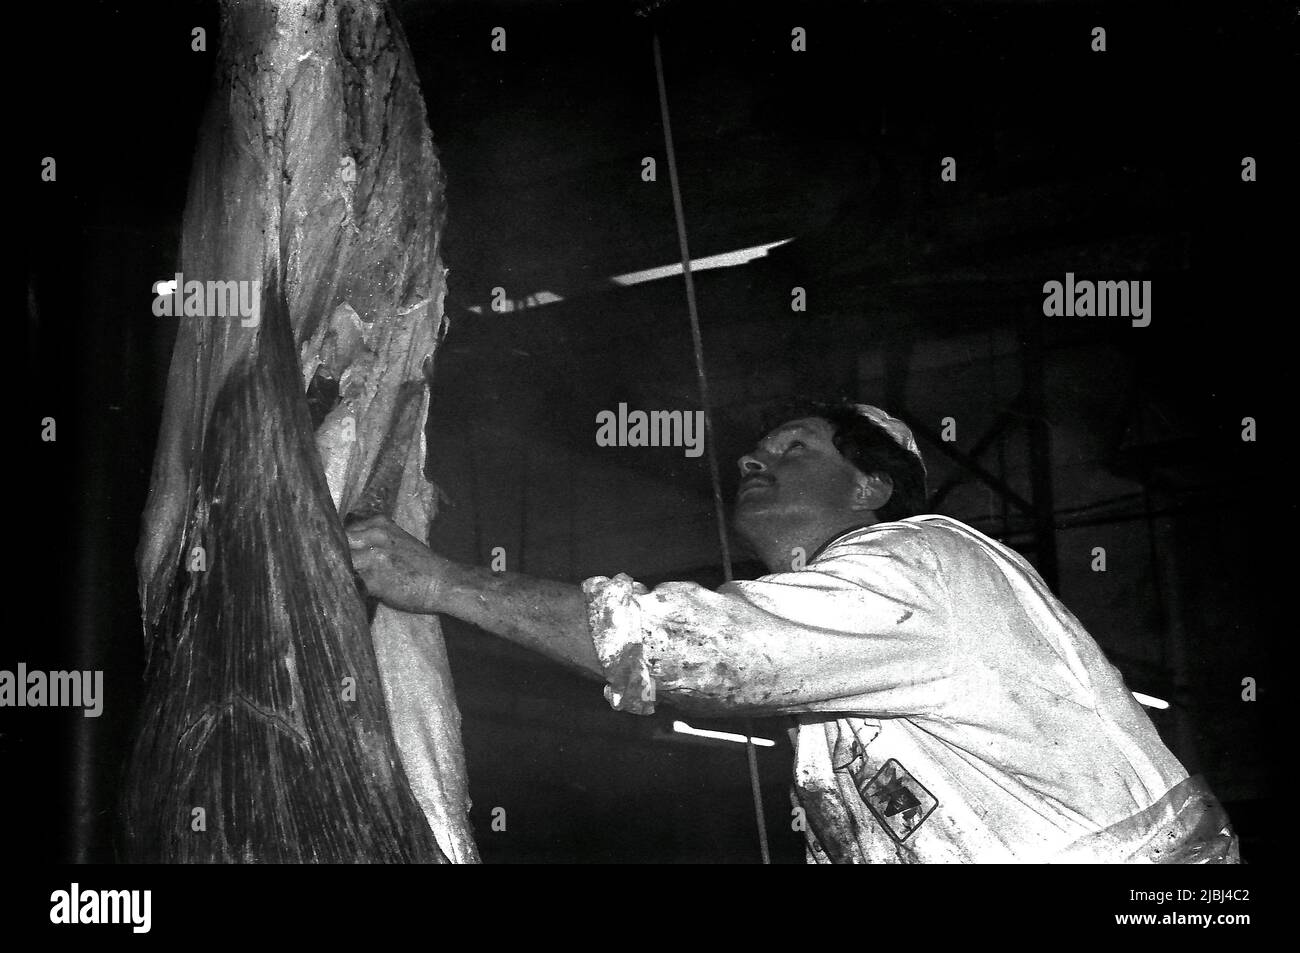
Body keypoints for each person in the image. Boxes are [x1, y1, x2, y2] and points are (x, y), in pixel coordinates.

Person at [345, 399, 1239, 863]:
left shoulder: (922, 562)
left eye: (796, 450)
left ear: (872, 487)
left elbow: (689, 644)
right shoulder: (839, 673)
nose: (752, 461)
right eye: (756, 454)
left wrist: (443, 582)